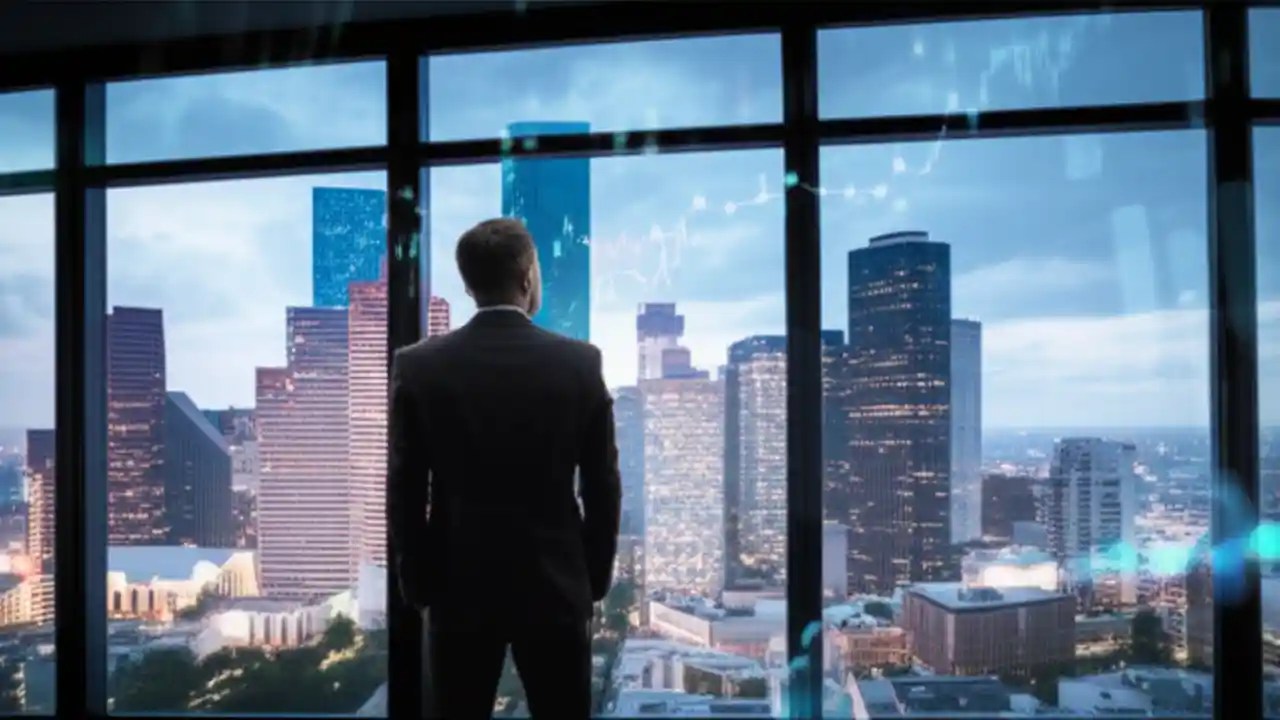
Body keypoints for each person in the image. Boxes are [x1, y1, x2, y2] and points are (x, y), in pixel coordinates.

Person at [388, 217, 622, 719]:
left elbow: (406, 489)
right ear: (526, 276)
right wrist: (592, 578)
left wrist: (417, 584)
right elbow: (602, 485)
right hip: (555, 585)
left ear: (469, 283)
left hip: (457, 588)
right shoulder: (580, 363)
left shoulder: (419, 365)